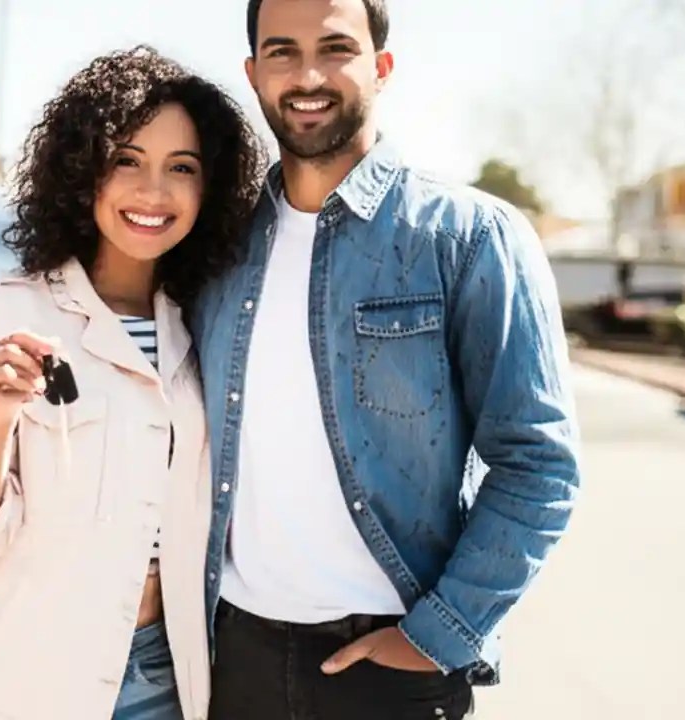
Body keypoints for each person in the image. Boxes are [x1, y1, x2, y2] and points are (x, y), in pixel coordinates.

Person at [193, 1, 583, 718]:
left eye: (335, 48)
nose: (308, 76)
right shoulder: (218, 243)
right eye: (282, 52)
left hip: (393, 668)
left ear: (382, 67)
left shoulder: (469, 237)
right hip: (232, 660)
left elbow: (538, 463)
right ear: (252, 73)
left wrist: (437, 637)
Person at [0, 46, 264, 720]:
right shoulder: (10, 311)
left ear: (209, 188)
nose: (153, 192)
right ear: (84, 171)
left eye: (181, 168)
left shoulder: (208, 325)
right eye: (127, 160)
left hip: (163, 674)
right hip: (22, 675)